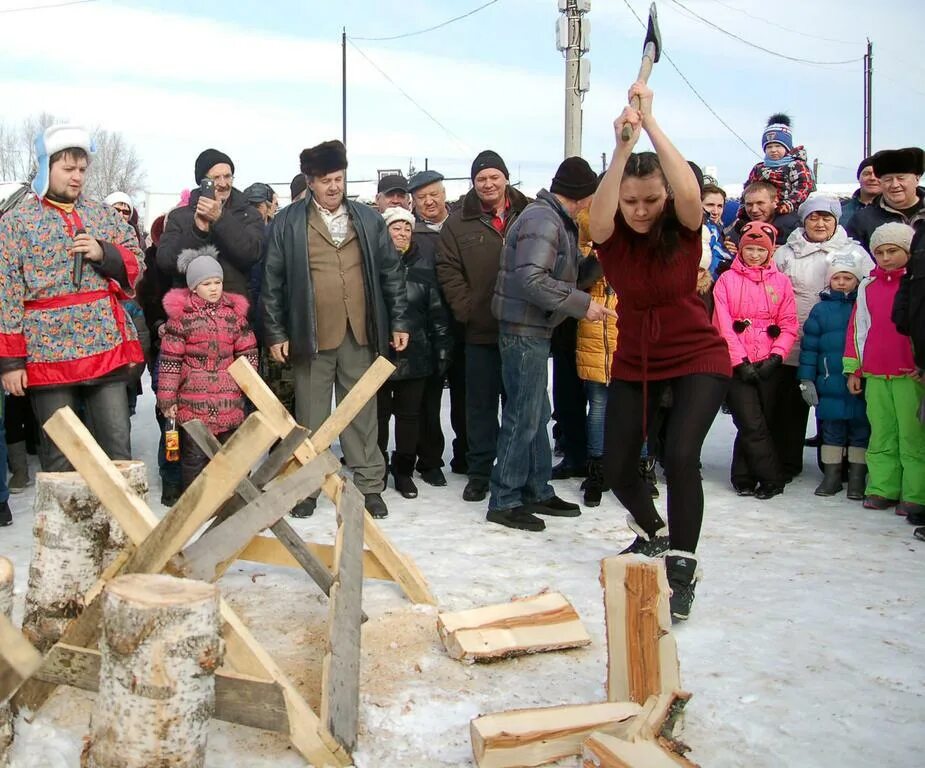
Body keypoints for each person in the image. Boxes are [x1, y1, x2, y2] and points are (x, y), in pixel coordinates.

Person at [589, 82, 732, 621]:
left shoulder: (685, 225)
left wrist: (650, 122)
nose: (641, 210)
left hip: (697, 352)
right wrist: (623, 147)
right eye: (633, 201)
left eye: (651, 200)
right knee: (618, 463)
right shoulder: (612, 234)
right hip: (636, 357)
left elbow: (690, 192)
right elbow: (600, 216)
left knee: (679, 456)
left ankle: (682, 564)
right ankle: (653, 531)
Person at [262, 140, 409, 519]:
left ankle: (368, 484)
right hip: (310, 335)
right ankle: (307, 486)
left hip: (359, 331)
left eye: (338, 179)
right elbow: (272, 281)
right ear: (309, 182)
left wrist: (399, 321)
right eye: (325, 180)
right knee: (310, 414)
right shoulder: (288, 222)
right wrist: (277, 332)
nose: (333, 187)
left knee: (361, 411)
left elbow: (392, 273)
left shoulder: (368, 218)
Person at [0, 124, 145, 471]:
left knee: (116, 445)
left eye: (82, 169)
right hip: (47, 349)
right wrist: (11, 362)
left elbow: (137, 261)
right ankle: (66, 525)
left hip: (103, 343)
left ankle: (120, 524)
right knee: (61, 455)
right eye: (68, 168)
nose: (77, 176)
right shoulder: (17, 222)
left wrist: (104, 252)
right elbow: (6, 292)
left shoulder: (102, 214)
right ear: (46, 166)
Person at [488, 157, 607, 531]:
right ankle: (504, 499)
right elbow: (532, 280)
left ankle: (537, 488)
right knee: (523, 415)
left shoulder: (555, 219)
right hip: (523, 331)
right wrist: (584, 306)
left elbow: (564, 276)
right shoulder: (543, 220)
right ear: (583, 195)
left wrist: (602, 261)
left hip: (534, 330)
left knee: (537, 413)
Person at [436, 150, 531, 502]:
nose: (488, 184)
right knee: (480, 406)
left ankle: (519, 471)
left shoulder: (531, 212)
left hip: (524, 329)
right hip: (480, 330)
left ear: (505, 178)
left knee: (522, 406)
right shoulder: (458, 222)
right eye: (480, 179)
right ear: (473, 183)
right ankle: (479, 472)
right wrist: (467, 309)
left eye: (494, 176)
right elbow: (447, 268)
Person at [772, 195, 871, 480]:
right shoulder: (786, 253)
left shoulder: (854, 252)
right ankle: (787, 462)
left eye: (826, 217)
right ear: (803, 221)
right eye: (813, 217)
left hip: (837, 347)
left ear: (836, 221)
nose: (820, 222)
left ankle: (839, 468)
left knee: (837, 407)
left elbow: (868, 291)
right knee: (791, 407)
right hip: (794, 343)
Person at [157, 246, 257, 490]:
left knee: (231, 451)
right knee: (194, 456)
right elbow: (170, 363)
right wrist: (167, 399)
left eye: (217, 282)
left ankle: (231, 497)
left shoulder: (233, 316)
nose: (213, 288)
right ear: (193, 287)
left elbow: (248, 354)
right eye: (206, 283)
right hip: (193, 401)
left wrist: (251, 388)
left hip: (228, 398)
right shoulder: (181, 320)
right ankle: (195, 501)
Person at [843, 223, 925, 519]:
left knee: (912, 436)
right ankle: (882, 487)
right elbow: (858, 328)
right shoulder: (868, 286)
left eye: (893, 251)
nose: (886, 257)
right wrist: (854, 367)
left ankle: (915, 493)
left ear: (908, 251)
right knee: (881, 434)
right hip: (876, 372)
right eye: (879, 252)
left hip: (909, 374)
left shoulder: (915, 283)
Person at [713, 221, 798, 499]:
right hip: (739, 363)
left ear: (770, 251)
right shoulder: (727, 280)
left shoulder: (781, 282)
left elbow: (788, 322)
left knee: (763, 421)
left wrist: (777, 355)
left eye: (760, 250)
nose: (754, 254)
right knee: (750, 421)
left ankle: (743, 474)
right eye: (748, 248)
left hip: (770, 361)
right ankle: (772, 478)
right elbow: (723, 324)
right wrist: (739, 361)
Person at [376, 207, 452, 499]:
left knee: (411, 417)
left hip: (417, 354)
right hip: (381, 354)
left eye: (407, 229)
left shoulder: (423, 267)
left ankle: (404, 470)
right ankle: (378, 467)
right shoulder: (375, 268)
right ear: (386, 232)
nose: (403, 234)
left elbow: (437, 313)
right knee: (380, 417)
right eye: (396, 228)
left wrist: (443, 348)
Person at [797, 252, 871, 498]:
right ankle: (832, 476)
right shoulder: (821, 310)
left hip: (859, 382)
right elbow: (810, 348)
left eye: (847, 278)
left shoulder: (864, 306)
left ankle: (857, 477)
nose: (841, 282)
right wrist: (806, 378)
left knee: (861, 430)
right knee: (831, 430)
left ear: (857, 280)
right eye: (837, 277)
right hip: (829, 382)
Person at [157, 148, 264, 297]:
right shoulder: (179, 217)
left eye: (227, 176)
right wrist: (197, 232)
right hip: (190, 310)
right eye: (216, 178)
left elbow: (251, 255)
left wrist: (220, 219)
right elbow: (166, 262)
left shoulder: (249, 214)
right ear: (203, 182)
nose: (223, 183)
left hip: (235, 309)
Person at [407, 169, 457, 484]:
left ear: (444, 194)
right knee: (428, 398)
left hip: (461, 320)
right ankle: (429, 460)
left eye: (433, 195)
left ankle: (466, 454)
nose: (429, 202)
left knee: (467, 397)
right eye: (421, 198)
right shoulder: (411, 233)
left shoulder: (460, 224)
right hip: (427, 327)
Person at [575, 226, 618, 507]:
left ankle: (640, 468)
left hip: (628, 332)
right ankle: (597, 469)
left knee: (636, 407)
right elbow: (578, 281)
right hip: (594, 334)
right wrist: (600, 252)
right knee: (598, 407)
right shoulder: (588, 244)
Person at [846, 147, 924, 253]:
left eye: (901, 178)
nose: (895, 185)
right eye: (888, 180)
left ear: (917, 179)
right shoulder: (862, 220)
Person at [738, 114, 815, 219]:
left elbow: (804, 187)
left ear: (787, 147)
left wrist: (789, 204)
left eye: (778, 146)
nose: (773, 150)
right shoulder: (759, 168)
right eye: (769, 147)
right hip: (760, 211)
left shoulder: (796, 165)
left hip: (788, 212)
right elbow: (748, 189)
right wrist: (744, 207)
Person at [725, 181, 799, 253]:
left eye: (760, 203)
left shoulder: (795, 229)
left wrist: (787, 253)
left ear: (775, 201)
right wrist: (725, 250)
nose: (754, 210)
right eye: (749, 204)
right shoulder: (739, 228)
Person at [840, 157, 880, 226]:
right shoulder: (840, 210)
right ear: (859, 178)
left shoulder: (895, 211)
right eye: (867, 174)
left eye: (878, 174)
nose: (872, 178)